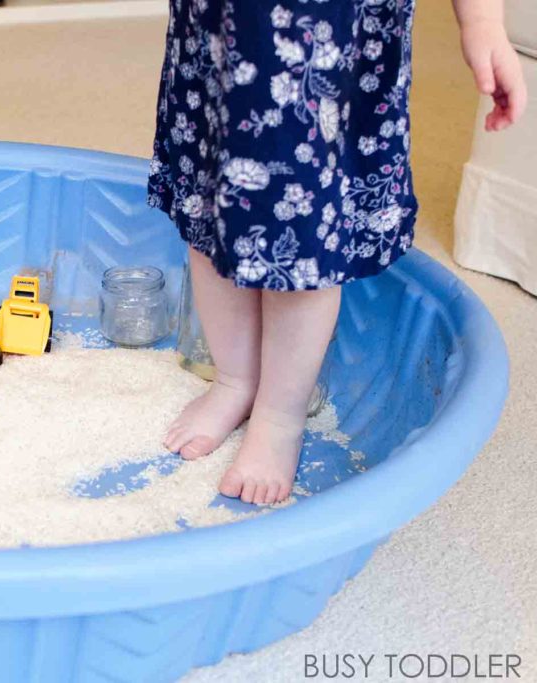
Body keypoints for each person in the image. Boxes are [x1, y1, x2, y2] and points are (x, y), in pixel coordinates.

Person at [148, 0, 527, 505]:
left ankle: (280, 414)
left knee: (304, 232)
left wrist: (482, 21)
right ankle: (235, 380)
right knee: (210, 207)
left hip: (326, 39)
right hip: (220, 24)